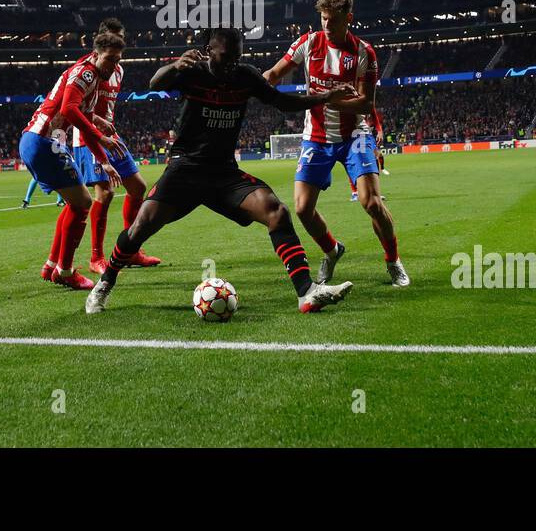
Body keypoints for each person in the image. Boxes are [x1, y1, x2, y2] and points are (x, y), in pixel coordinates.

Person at [86, 28, 358, 315]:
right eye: (226, 57)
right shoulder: (193, 72)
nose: (232, 64)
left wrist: (326, 96)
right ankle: (104, 284)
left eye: (237, 58)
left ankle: (306, 292)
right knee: (140, 226)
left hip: (224, 173)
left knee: (276, 212)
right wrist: (175, 65)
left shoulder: (245, 76)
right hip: (185, 169)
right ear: (208, 50)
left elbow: (282, 102)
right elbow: (155, 82)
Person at [263, 0, 408, 287]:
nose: (326, 26)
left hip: (355, 133)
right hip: (315, 137)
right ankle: (332, 250)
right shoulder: (307, 43)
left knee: (371, 203)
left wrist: (324, 98)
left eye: (333, 20)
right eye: (323, 19)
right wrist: (245, 85)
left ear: (348, 18)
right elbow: (273, 75)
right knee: (302, 209)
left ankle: (393, 260)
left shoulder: (364, 52)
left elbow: (367, 104)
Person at [21, 31, 126, 290]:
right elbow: (68, 109)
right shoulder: (86, 73)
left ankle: (51, 265)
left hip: (40, 141)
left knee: (74, 203)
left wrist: (104, 161)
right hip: (45, 141)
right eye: (110, 60)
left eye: (117, 60)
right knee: (83, 203)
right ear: (96, 54)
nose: (113, 66)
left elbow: (84, 119)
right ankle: (65, 272)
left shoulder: (91, 80)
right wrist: (101, 138)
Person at [74, 18, 160, 273]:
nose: (119, 42)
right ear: (101, 40)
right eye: (114, 37)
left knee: (138, 188)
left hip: (112, 136)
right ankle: (96, 258)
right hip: (88, 136)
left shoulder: (118, 68)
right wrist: (96, 124)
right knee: (106, 193)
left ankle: (130, 250)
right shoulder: (87, 69)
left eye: (121, 37)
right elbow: (75, 107)